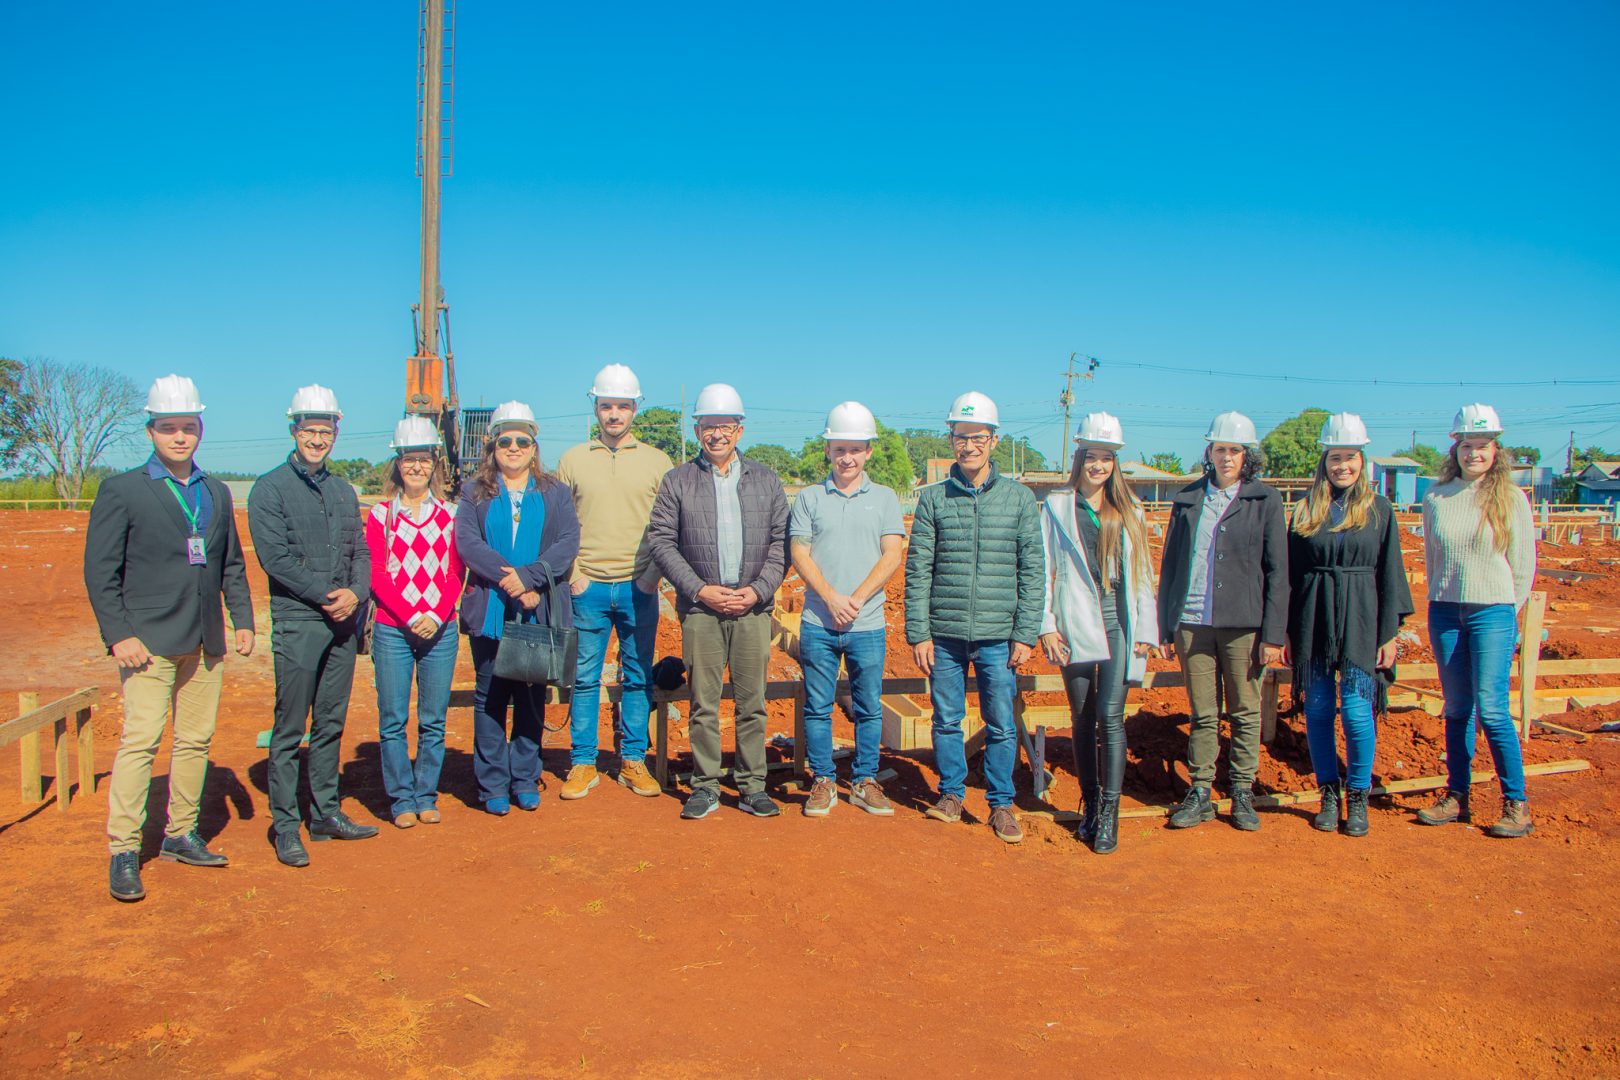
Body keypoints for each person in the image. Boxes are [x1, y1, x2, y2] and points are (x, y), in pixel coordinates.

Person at [84, 375, 255, 902]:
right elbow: (100, 571)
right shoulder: (123, 490)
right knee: (140, 742)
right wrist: (119, 636)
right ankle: (124, 849)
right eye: (168, 428)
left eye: (187, 427)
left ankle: (181, 832)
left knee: (195, 741)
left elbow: (229, 561)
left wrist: (243, 619)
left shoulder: (215, 492)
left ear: (199, 430)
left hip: (205, 640)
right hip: (148, 643)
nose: (179, 437)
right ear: (151, 431)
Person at [905, 391, 1043, 845]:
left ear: (994, 440)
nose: (968, 446)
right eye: (960, 437)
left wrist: (1025, 633)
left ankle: (1001, 804)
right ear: (951, 438)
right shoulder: (933, 501)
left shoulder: (1019, 500)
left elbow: (1032, 569)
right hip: (943, 635)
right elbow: (918, 567)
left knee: (1001, 721)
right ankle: (950, 795)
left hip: (998, 636)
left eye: (977, 437)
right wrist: (919, 632)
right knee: (946, 718)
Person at [647, 383, 789, 820]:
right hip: (702, 610)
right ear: (697, 429)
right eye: (708, 426)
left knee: (752, 703)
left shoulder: (766, 481)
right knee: (703, 704)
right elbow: (662, 541)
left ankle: (751, 786)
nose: (716, 435)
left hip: (752, 609)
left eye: (724, 426)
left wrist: (758, 591)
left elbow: (781, 544)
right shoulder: (678, 481)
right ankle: (705, 785)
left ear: (739, 429)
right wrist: (698, 589)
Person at [250, 384, 376, 868]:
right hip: (300, 620)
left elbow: (360, 552)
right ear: (294, 430)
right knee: (289, 728)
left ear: (336, 433)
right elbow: (275, 559)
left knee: (330, 723)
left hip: (343, 623)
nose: (317, 439)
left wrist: (356, 593)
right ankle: (286, 825)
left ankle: (325, 814)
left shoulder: (343, 490)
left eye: (325, 432)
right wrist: (328, 596)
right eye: (309, 431)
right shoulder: (270, 488)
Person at [1157, 410, 1289, 832]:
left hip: (1243, 626)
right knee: (1203, 712)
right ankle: (1199, 790)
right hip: (1193, 623)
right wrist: (1166, 625)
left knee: (1246, 710)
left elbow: (1278, 571)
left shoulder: (1264, 500)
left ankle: (1243, 790)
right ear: (1209, 452)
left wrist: (1272, 633)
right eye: (1220, 449)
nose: (1227, 457)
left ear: (1246, 455)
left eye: (1235, 450)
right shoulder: (1188, 499)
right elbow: (1172, 565)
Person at [1285, 412, 1413, 837]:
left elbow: (1390, 572)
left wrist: (1389, 633)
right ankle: (1328, 793)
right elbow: (1290, 572)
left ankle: (1358, 794)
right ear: (1324, 461)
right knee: (1319, 709)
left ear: (1362, 460)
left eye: (1351, 458)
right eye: (1335, 457)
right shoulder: (1306, 508)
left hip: (1361, 617)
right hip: (1314, 617)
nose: (1343, 466)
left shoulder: (1379, 509)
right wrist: (1287, 630)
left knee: (1358, 713)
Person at [1037, 412, 1159, 854]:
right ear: (1080, 457)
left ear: (1115, 463)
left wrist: (1146, 627)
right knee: (1082, 718)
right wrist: (1046, 627)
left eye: (1107, 458)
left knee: (1109, 715)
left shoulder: (1130, 509)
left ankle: (1110, 813)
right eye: (1092, 456)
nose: (1099, 465)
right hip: (1074, 625)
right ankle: (1089, 805)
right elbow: (1043, 570)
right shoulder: (1056, 505)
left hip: (1117, 622)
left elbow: (1142, 574)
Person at [1417, 403, 1537, 838]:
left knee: (1492, 708)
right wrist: (1440, 597)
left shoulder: (1510, 498)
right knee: (1456, 708)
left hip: (1493, 611)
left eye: (1483, 446)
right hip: (1446, 610)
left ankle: (1516, 802)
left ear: (1495, 449)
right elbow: (1432, 558)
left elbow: (1523, 565)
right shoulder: (1436, 496)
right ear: (1456, 447)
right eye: (1468, 446)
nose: (1475, 454)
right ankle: (1457, 795)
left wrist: (1508, 611)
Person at [455, 401, 580, 816]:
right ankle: (492, 782)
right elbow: (469, 544)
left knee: (530, 694)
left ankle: (525, 776)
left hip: (538, 606)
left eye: (521, 441)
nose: (513, 447)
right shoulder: (475, 492)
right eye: (505, 440)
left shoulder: (555, 492)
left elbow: (566, 544)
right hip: (491, 607)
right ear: (492, 445)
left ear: (533, 446)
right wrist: (511, 581)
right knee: (490, 695)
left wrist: (530, 579)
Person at [555, 364, 673, 800]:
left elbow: (669, 527)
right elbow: (559, 525)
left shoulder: (658, 461)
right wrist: (574, 575)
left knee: (638, 674)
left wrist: (651, 578)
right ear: (596, 407)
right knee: (585, 677)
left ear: (635, 408)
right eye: (607, 405)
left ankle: (633, 761)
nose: (614, 414)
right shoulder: (573, 460)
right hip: (587, 588)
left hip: (638, 587)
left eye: (623, 406)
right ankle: (583, 763)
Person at [789, 402, 905, 817]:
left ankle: (864, 780)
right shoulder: (808, 497)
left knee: (868, 705)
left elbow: (892, 554)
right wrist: (832, 598)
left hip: (867, 623)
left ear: (868, 451)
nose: (847, 457)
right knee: (818, 706)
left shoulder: (886, 499)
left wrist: (855, 598)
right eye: (840, 448)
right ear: (827, 449)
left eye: (856, 449)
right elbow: (799, 552)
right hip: (819, 622)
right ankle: (823, 780)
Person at [367, 416, 465, 829]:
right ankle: (400, 798)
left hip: (439, 631)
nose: (416, 468)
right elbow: (377, 574)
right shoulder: (380, 515)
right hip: (393, 629)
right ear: (398, 463)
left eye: (423, 460)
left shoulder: (451, 514)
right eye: (409, 459)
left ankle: (426, 794)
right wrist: (409, 617)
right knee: (392, 718)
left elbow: (455, 572)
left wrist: (436, 615)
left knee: (433, 719)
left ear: (434, 464)